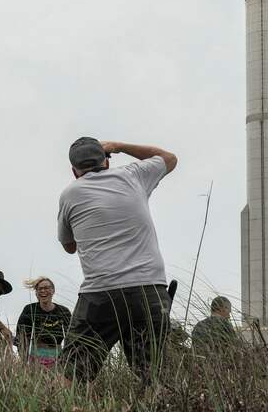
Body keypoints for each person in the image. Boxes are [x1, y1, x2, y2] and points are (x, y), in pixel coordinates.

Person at [57, 137, 178, 385]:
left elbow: (69, 246)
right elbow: (169, 158)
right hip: (149, 290)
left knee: (71, 376)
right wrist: (121, 146)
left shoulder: (70, 194)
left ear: (74, 171)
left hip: (101, 294)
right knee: (153, 377)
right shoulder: (133, 175)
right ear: (107, 161)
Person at [15, 276, 71, 368]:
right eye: (40, 289)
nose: (43, 291)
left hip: (57, 356)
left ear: (53, 291)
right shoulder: (30, 309)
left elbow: (70, 336)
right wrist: (24, 361)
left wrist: (66, 359)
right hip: (35, 356)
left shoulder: (63, 311)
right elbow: (21, 336)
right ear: (36, 293)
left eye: (47, 288)